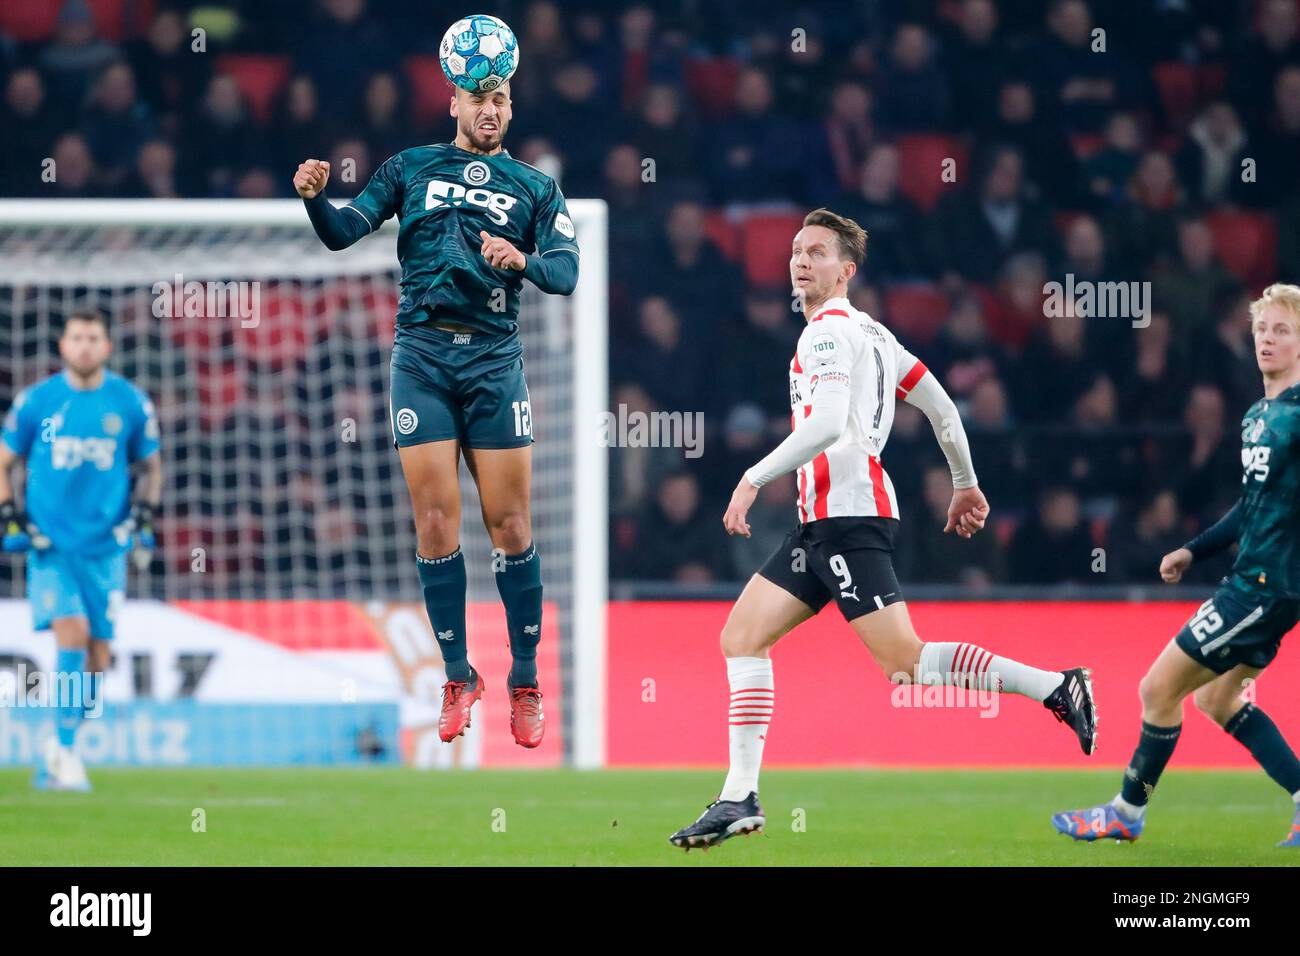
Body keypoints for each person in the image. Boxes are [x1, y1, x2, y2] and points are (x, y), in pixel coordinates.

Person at [668, 210, 1096, 851]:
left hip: (848, 517)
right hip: (823, 522)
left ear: (846, 270)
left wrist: (752, 477)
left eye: (816, 252)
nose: (801, 261)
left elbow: (827, 423)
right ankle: (738, 796)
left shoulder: (827, 334)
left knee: (906, 662)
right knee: (741, 636)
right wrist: (965, 482)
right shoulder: (875, 335)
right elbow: (941, 406)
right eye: (795, 251)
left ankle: (1058, 686)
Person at [294, 75, 579, 749]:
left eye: (502, 99)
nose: (490, 110)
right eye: (478, 99)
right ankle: (458, 675)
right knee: (433, 521)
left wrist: (524, 260)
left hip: (492, 361)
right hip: (421, 359)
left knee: (510, 524)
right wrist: (314, 201)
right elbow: (343, 233)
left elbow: (566, 274)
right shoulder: (410, 168)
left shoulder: (537, 188)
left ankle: (526, 678)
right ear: (454, 104)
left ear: (512, 108)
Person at [1053, 284, 1300, 848]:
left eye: (1282, 330)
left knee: (1157, 687)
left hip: (1264, 587)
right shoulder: (1258, 416)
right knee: (1216, 698)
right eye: (1262, 328)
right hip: (1255, 581)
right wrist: (1195, 549)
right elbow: (1252, 505)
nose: (1268, 339)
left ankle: (1125, 813)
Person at [0, 311, 162, 791]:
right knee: (72, 635)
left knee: (99, 655)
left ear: (107, 346)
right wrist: (10, 514)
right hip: (51, 546)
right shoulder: (39, 402)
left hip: (106, 548)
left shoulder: (129, 403)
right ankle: (67, 752)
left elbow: (152, 467)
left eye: (94, 338)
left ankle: (60, 746)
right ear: (63, 345)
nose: (85, 346)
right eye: (77, 338)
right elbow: (5, 459)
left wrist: (146, 519)